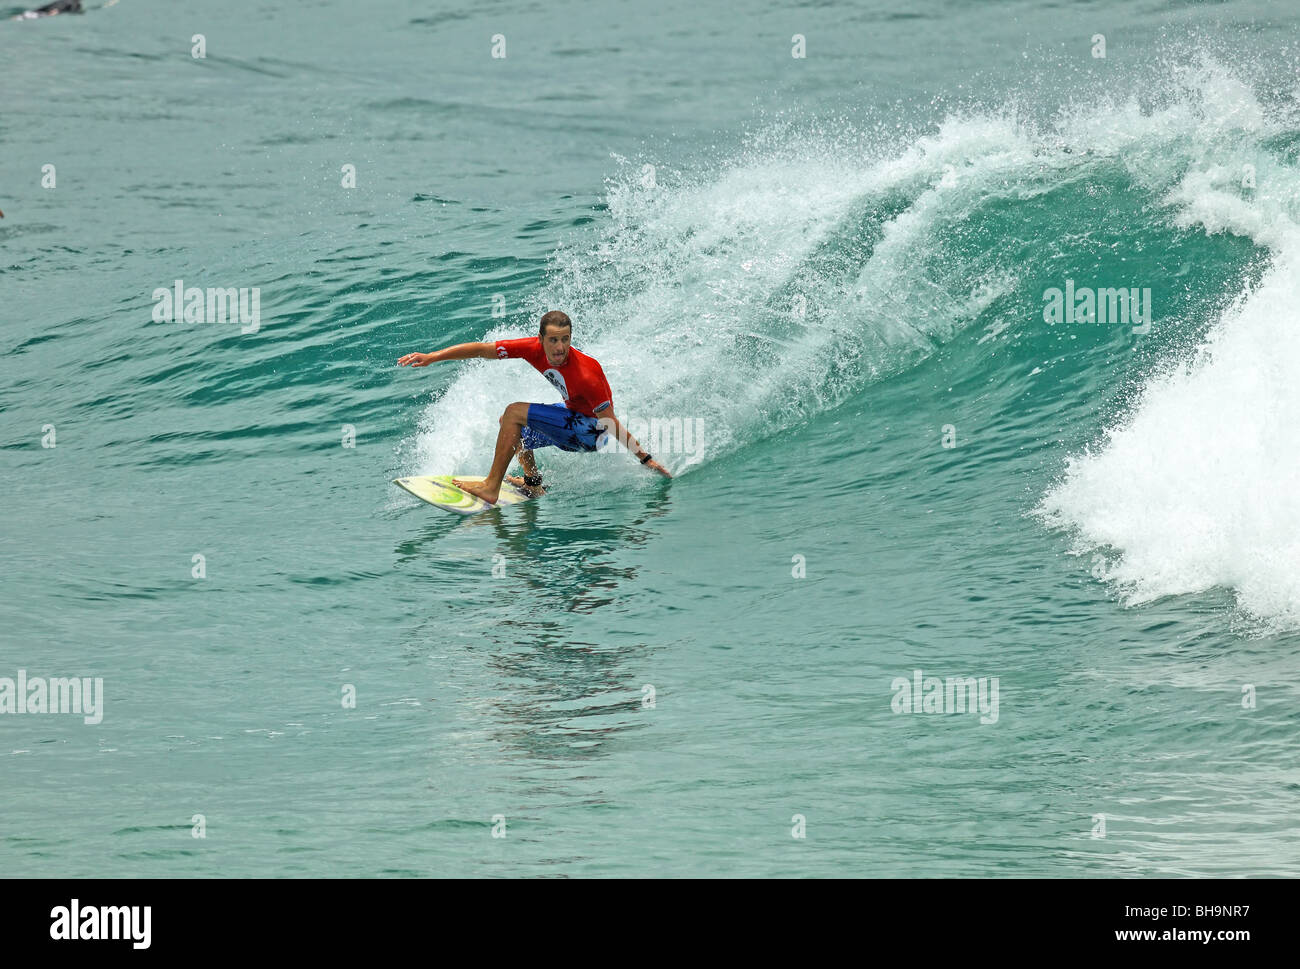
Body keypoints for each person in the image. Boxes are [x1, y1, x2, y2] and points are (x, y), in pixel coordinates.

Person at [398, 310, 671, 504]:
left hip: (592, 431)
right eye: (553, 340)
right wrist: (433, 357)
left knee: (514, 412)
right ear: (540, 339)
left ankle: (491, 487)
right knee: (509, 422)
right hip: (574, 418)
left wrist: (645, 458)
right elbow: (482, 349)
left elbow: (609, 422)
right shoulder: (531, 349)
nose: (560, 347)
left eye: (565, 339)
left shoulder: (587, 374)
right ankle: (533, 484)